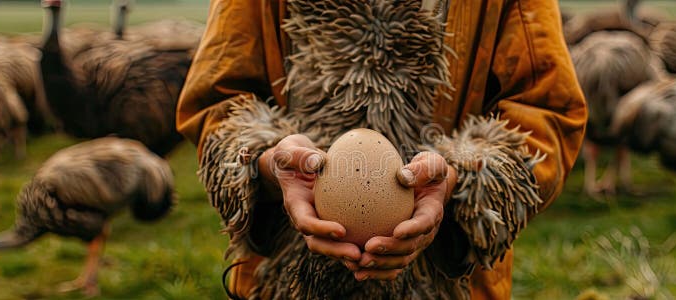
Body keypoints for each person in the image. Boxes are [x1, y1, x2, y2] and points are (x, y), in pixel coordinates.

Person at [177, 0, 586, 298]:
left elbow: (549, 113)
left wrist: (462, 183)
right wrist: (268, 164)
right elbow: (216, 103)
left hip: (450, 285)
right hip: (281, 281)